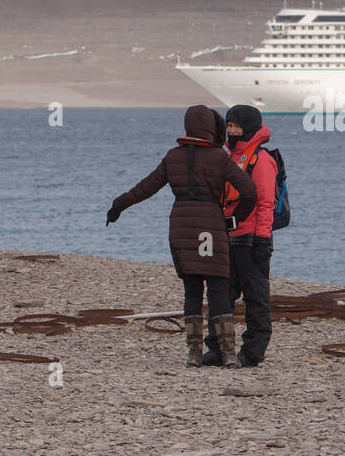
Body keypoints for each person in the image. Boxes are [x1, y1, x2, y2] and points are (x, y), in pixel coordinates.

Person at [106, 106, 256, 368]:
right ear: (211, 126)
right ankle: (229, 354)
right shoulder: (218, 158)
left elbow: (146, 187)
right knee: (219, 287)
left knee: (192, 290)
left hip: (181, 227)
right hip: (211, 226)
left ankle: (194, 354)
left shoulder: (173, 157)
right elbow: (249, 191)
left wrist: (118, 206)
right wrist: (235, 219)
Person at [206, 104, 277, 367]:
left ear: (249, 127)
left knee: (256, 297)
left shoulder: (262, 160)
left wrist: (262, 239)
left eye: (237, 126)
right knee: (221, 295)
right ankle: (218, 348)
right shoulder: (228, 158)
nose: (232, 131)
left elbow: (266, 203)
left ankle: (252, 352)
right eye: (229, 125)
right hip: (227, 237)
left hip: (251, 239)